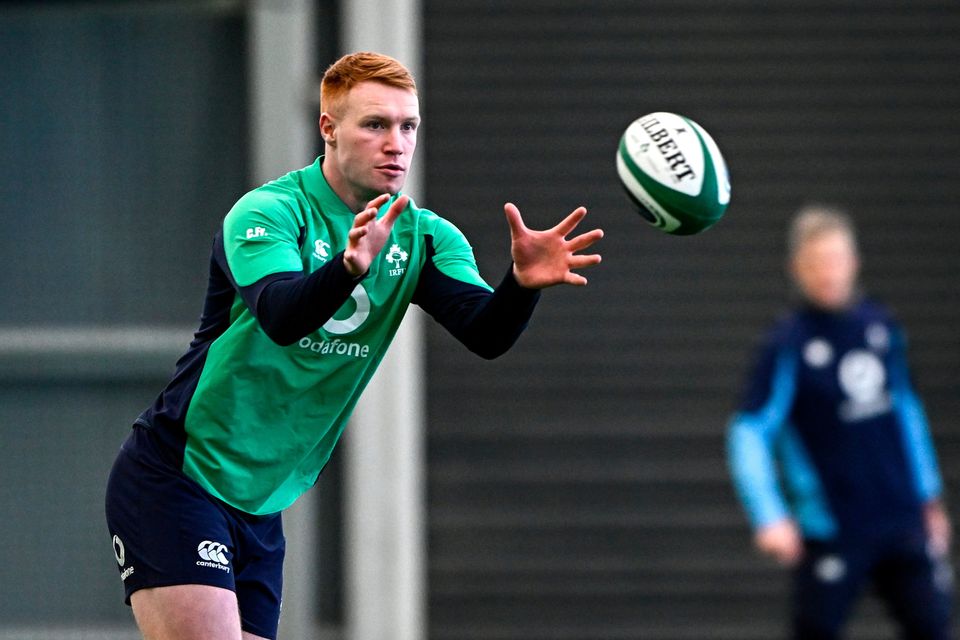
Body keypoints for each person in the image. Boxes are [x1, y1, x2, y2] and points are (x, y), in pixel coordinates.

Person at [104, 51, 602, 640]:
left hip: (262, 503)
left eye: (407, 126)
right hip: (175, 476)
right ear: (329, 128)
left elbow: (486, 334)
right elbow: (282, 316)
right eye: (375, 125)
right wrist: (347, 268)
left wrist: (520, 285)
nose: (396, 143)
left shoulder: (426, 237)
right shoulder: (270, 211)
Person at [726, 205, 953, 639]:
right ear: (797, 269)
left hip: (900, 517)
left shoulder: (881, 327)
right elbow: (749, 431)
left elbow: (906, 412)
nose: (828, 273)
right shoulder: (787, 343)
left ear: (854, 262)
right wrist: (769, 514)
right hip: (833, 527)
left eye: (835, 260)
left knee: (934, 626)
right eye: (816, 263)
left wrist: (929, 498)